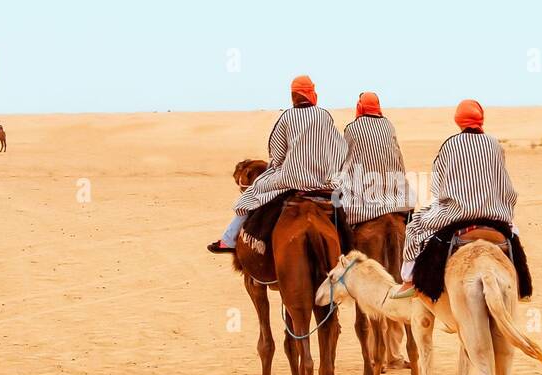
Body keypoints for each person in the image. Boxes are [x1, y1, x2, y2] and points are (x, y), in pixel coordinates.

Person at [207, 75, 347, 253]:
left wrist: (279, 166)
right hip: (324, 181)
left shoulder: (287, 117)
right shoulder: (324, 116)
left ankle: (229, 240)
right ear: (312, 94)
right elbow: (339, 149)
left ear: (293, 96)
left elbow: (277, 153)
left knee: (252, 194)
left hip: (290, 179)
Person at [393, 99, 518, 297]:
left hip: (456, 215)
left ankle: (409, 279)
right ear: (480, 119)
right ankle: (523, 288)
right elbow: (505, 183)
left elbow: (438, 186)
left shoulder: (450, 145)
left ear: (459, 121)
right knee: (514, 233)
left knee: (414, 226)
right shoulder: (495, 144)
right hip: (495, 214)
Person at [332, 92, 414, 225]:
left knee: (336, 212)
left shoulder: (352, 128)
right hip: (395, 201)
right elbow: (399, 161)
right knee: (411, 218)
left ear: (360, 107)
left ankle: (343, 244)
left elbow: (343, 162)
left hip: (361, 206)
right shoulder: (389, 126)